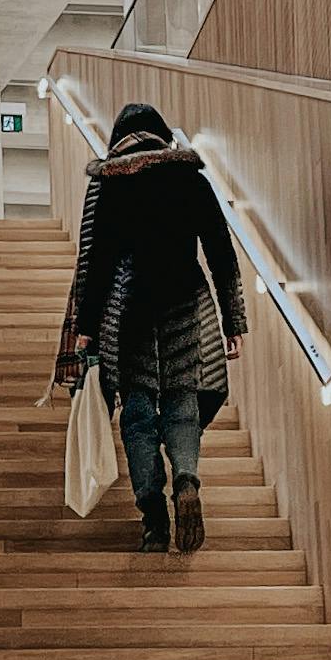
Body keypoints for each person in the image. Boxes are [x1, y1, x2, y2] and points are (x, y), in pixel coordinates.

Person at [56, 101, 246, 552]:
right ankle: (186, 480)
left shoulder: (110, 187)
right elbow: (222, 253)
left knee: (138, 416)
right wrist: (232, 319)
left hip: (130, 313)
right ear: (163, 136)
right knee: (183, 404)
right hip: (186, 304)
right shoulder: (191, 179)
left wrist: (85, 327)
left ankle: (154, 522)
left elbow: (96, 264)